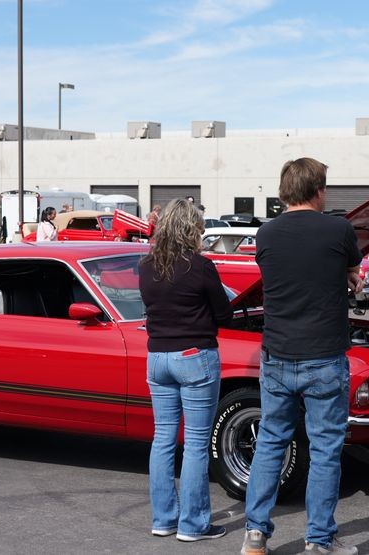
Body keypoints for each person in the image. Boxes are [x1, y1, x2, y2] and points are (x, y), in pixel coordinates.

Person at [243, 157, 361, 555]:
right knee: (325, 449)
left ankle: (255, 535)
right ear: (317, 190)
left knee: (271, 442)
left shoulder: (266, 234)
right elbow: (350, 269)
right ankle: (319, 541)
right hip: (324, 356)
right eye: (325, 188)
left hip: (277, 354)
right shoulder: (339, 229)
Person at [138, 198, 232, 543]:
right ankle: (193, 525)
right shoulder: (201, 266)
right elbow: (223, 315)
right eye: (200, 227)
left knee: (162, 438)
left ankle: (163, 519)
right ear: (190, 228)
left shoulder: (146, 265)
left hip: (157, 358)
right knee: (194, 443)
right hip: (194, 357)